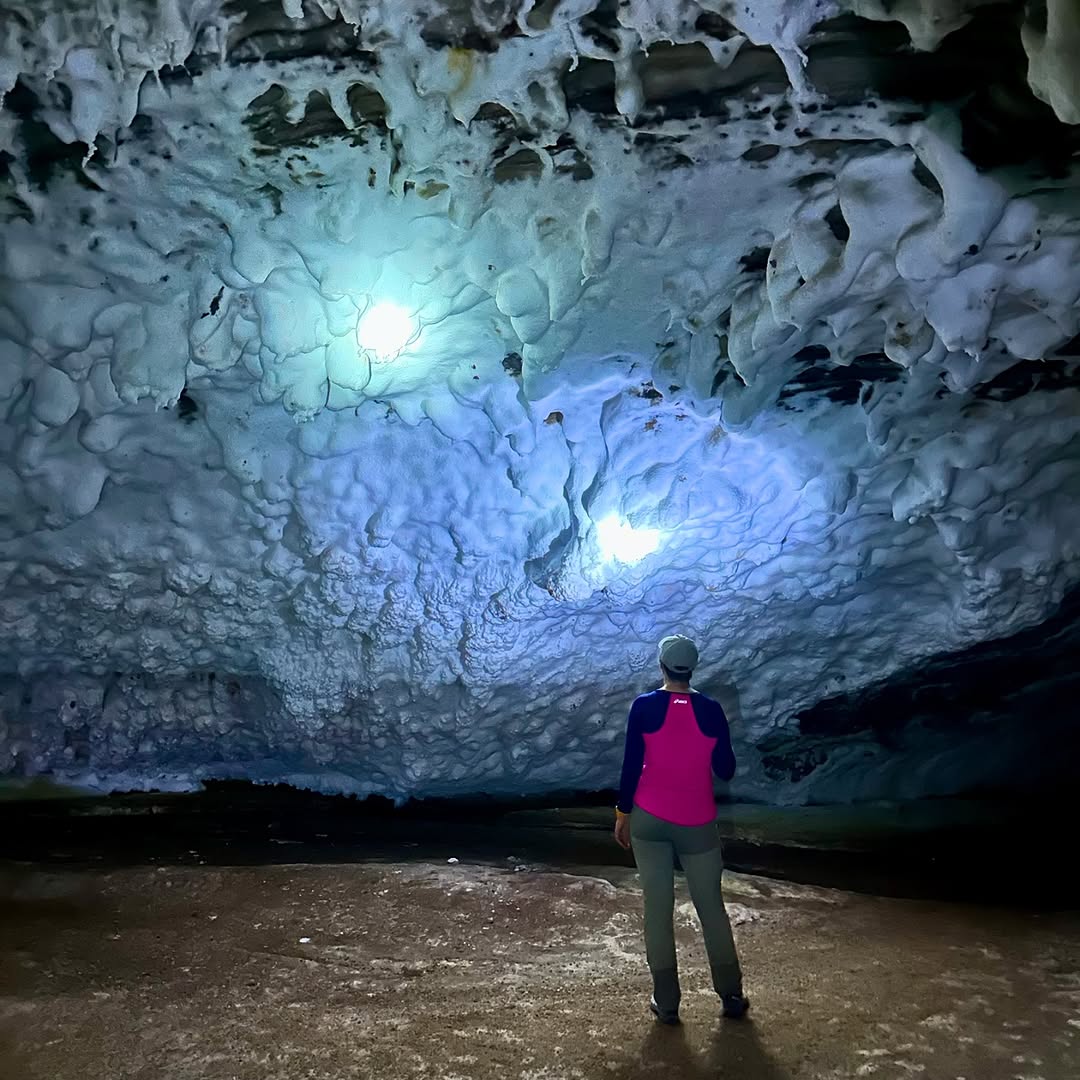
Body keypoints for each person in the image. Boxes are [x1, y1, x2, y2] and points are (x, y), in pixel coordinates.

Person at [614, 634, 749, 1025]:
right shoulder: (710, 709)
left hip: (649, 818)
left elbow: (630, 766)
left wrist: (623, 813)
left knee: (657, 909)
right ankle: (731, 994)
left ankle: (667, 1001)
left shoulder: (643, 706)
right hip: (698, 821)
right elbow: (725, 768)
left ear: (662, 666)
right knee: (711, 907)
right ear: (693, 668)